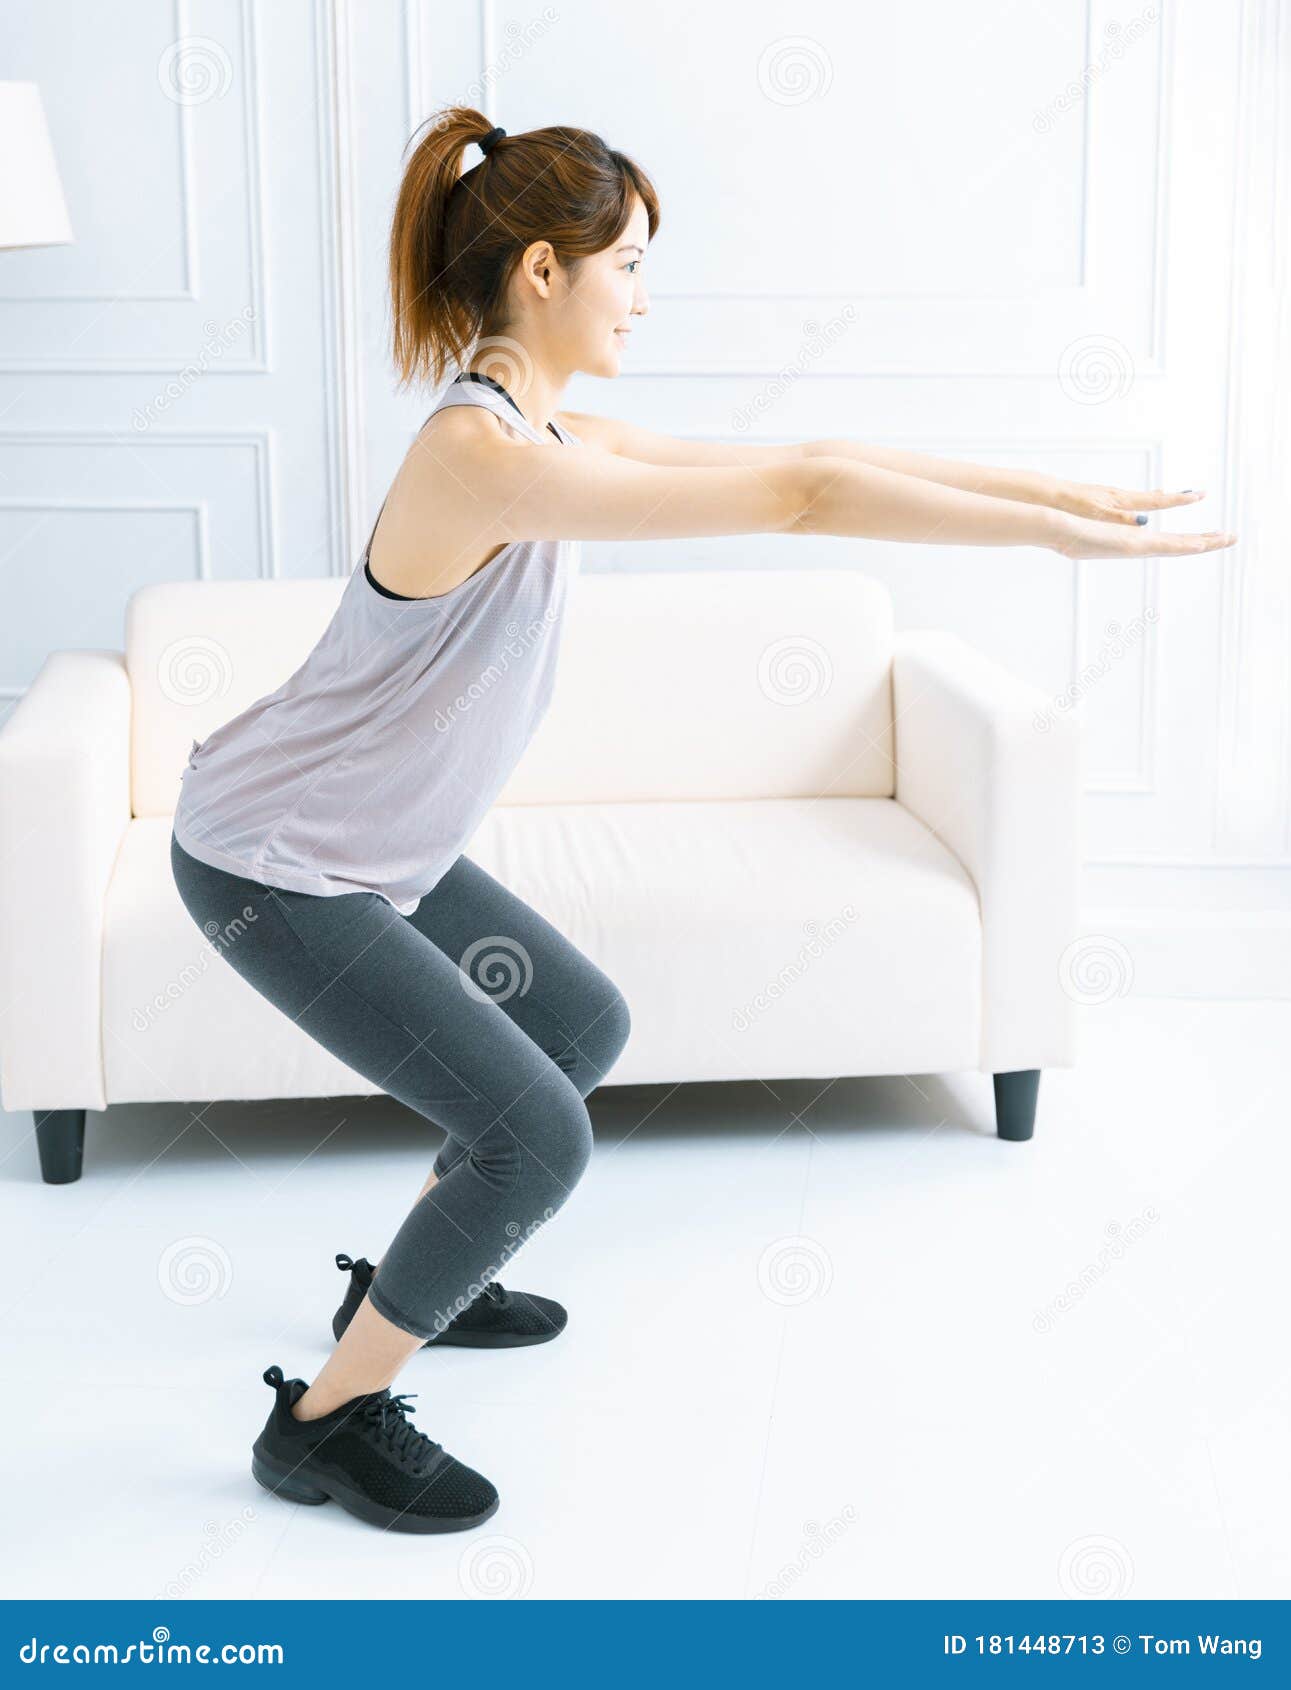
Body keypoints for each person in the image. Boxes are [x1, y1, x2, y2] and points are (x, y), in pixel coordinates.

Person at [169, 105, 1236, 1535]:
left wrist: (1054, 484)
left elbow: (815, 449)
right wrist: (1054, 541)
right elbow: (800, 496)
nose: (646, 298)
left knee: (581, 1025)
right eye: (631, 266)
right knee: (535, 1135)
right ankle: (325, 1417)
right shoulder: (479, 460)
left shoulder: (545, 428)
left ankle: (415, 1277)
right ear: (543, 271)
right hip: (270, 861)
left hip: (372, 853)